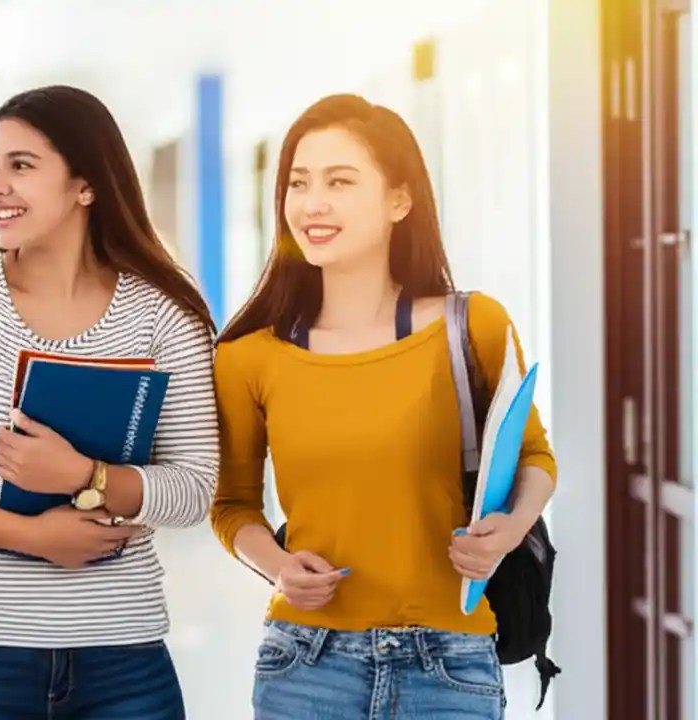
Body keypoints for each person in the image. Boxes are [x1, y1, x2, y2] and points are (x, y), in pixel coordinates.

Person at [0, 85, 218, 720]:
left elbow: (194, 489)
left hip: (123, 661)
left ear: (86, 184)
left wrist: (88, 477)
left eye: (21, 165)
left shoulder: (166, 314)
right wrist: (31, 536)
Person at [209, 93, 557, 719]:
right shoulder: (247, 356)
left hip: (450, 663)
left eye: (340, 181)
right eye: (298, 182)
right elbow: (231, 506)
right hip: (304, 665)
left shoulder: (472, 325)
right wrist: (281, 568)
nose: (312, 203)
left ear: (400, 199)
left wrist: (508, 531)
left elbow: (535, 456)